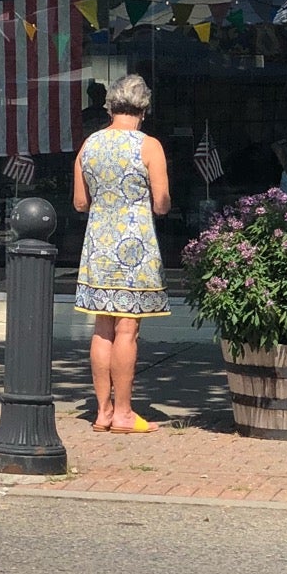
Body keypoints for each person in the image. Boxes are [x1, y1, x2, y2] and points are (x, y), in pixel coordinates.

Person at [73, 73, 171, 433]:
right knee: (127, 329)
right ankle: (125, 412)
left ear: (110, 105)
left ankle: (102, 411)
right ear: (144, 109)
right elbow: (160, 203)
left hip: (98, 246)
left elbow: (80, 202)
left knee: (102, 327)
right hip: (135, 247)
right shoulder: (149, 147)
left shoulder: (90, 145)